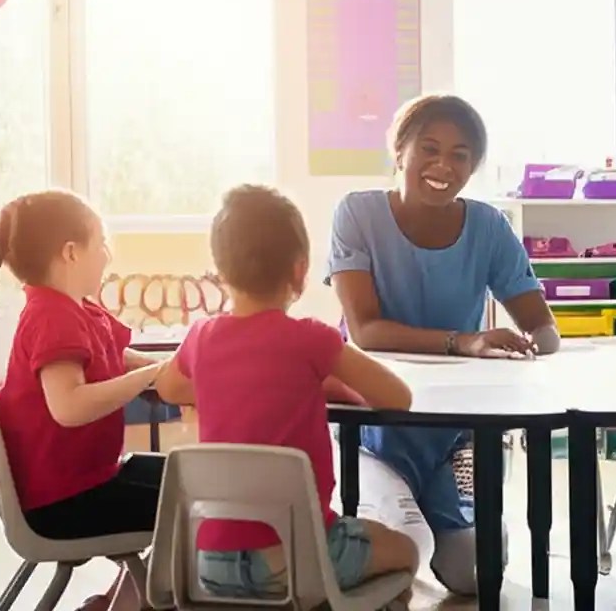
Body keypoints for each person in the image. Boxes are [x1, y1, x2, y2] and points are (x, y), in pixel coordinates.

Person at [325, 93, 560, 595]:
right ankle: (404, 516)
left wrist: (538, 345)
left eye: (460, 154)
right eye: (428, 148)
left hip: (456, 435)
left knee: (474, 575)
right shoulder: (357, 214)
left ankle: (445, 516)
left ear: (473, 166)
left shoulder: (489, 226)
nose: (442, 164)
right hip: (375, 433)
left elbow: (542, 326)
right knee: (401, 555)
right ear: (400, 151)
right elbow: (365, 330)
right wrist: (465, 342)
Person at [154, 185, 418, 601]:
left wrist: (225, 381)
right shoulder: (311, 339)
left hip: (208, 561)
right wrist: (324, 378)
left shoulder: (201, 337)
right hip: (297, 558)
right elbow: (397, 396)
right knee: (405, 550)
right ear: (300, 270)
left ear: (220, 272)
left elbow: (168, 388)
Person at [0, 190, 169, 611]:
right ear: (71, 253)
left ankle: (117, 600)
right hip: (63, 504)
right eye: (101, 243)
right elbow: (68, 406)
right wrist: (150, 377)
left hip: (80, 484)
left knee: (186, 475)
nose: (107, 255)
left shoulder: (76, 311)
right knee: (192, 498)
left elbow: (116, 356)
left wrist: (170, 366)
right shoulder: (52, 317)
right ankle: (128, 603)